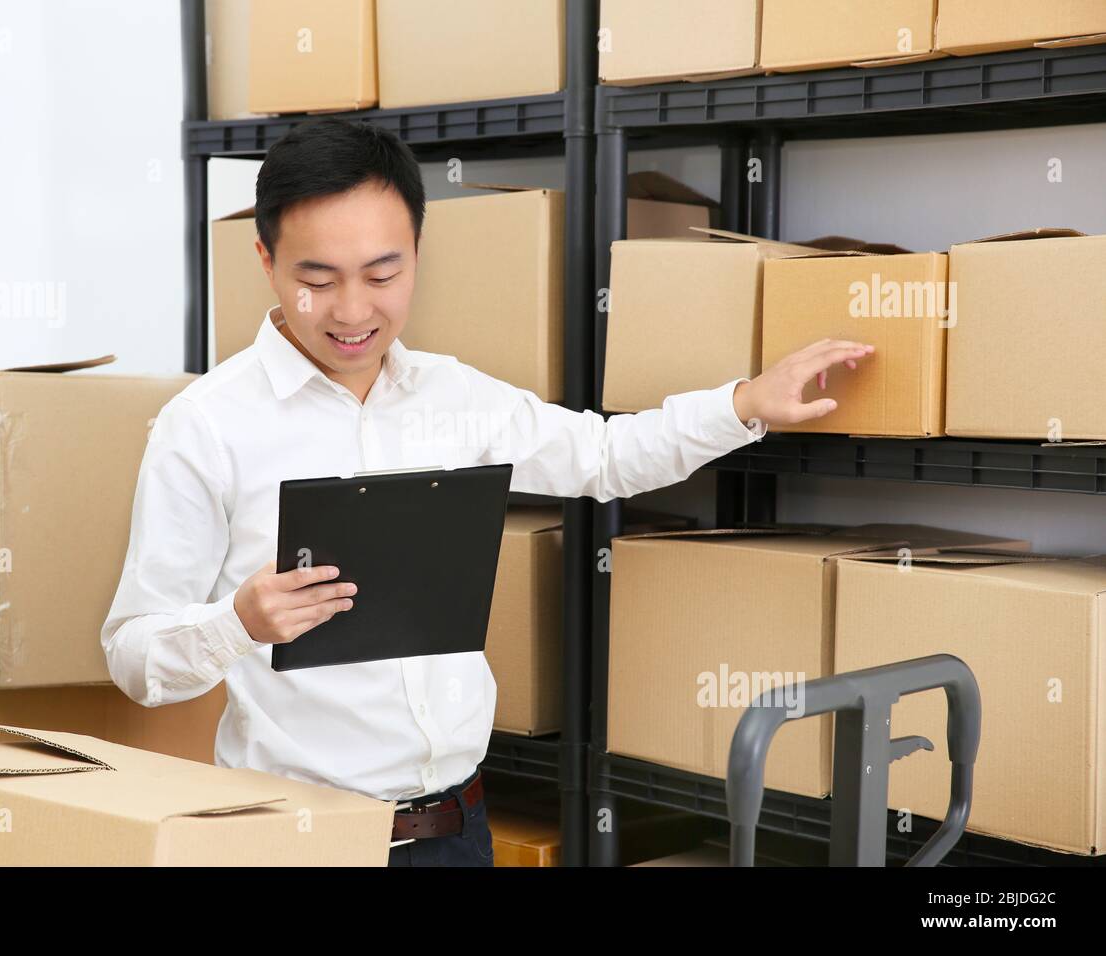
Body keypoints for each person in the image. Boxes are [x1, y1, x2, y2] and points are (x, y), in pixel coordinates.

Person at [101, 116, 873, 867]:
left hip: (456, 829)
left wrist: (745, 403)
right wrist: (238, 621)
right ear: (266, 258)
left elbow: (602, 456)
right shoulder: (204, 426)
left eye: (382, 273)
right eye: (316, 278)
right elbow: (135, 657)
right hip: (301, 841)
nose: (352, 310)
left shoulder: (453, 395)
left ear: (417, 253)